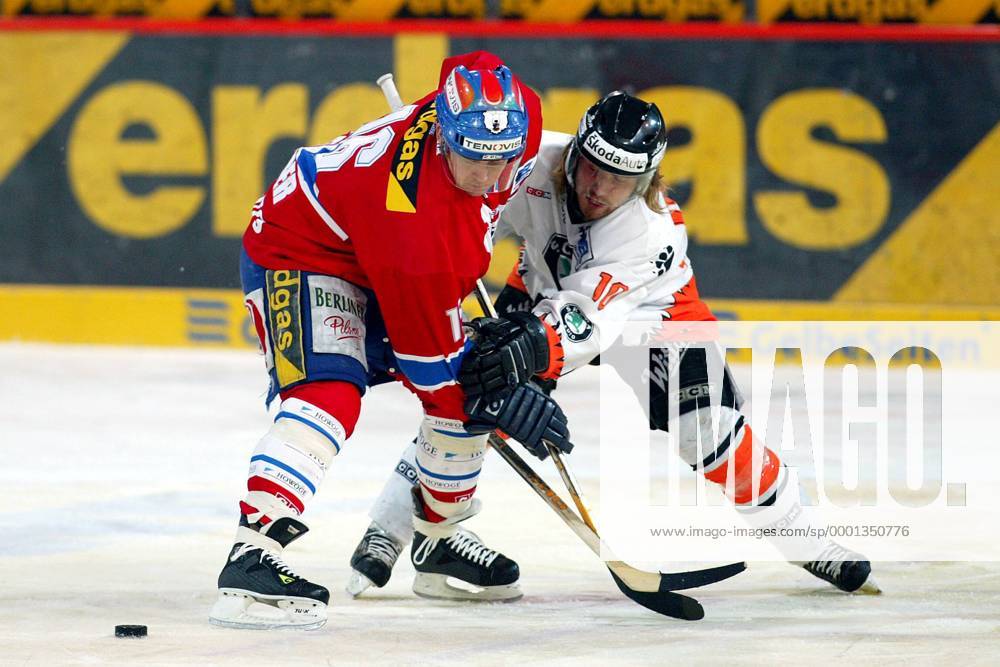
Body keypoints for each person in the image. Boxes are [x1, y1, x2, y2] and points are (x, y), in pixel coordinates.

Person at [347, 91, 880, 600]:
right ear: (573, 152)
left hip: (652, 313)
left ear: (646, 179)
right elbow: (468, 215)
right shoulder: (529, 164)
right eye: (591, 168)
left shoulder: (651, 235)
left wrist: (529, 347)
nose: (598, 187)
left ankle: (805, 539)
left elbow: (587, 322)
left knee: (709, 433)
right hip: (547, 288)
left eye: (620, 179)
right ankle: (393, 531)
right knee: (473, 392)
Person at [208, 51, 573, 630]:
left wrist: (491, 386)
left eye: (500, 160)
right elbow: (432, 374)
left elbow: (479, 77)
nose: (487, 177)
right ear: (443, 140)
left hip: (373, 244)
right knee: (333, 391)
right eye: (471, 161)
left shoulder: (513, 115)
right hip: (301, 251)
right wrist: (502, 401)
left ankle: (436, 538)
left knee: (482, 372)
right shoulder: (414, 232)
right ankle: (252, 555)